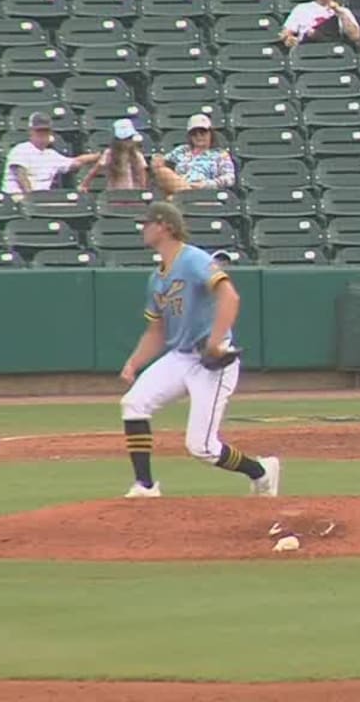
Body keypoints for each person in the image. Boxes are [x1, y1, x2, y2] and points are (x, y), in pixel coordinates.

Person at [118, 202, 280, 499]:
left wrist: (217, 341)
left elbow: (229, 296)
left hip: (211, 362)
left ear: (165, 225)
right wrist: (133, 363)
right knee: (133, 404)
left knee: (202, 448)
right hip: (181, 356)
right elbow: (157, 331)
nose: (143, 228)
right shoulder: (156, 278)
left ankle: (261, 471)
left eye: (147, 223)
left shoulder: (192, 259)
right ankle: (145, 486)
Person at [2, 112, 100, 197]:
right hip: (17, 196)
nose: (42, 134)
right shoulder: (21, 149)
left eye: (45, 131)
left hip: (43, 198)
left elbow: (76, 162)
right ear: (31, 131)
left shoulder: (51, 155)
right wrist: (31, 197)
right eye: (39, 130)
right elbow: (21, 176)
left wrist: (97, 156)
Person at [151, 114, 236, 197]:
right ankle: (187, 194)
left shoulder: (220, 154)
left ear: (211, 133)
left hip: (206, 193)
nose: (198, 136)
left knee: (170, 199)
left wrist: (205, 185)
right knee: (162, 172)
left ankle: (188, 195)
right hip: (179, 188)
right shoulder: (182, 150)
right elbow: (162, 160)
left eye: (202, 132)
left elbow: (230, 178)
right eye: (194, 133)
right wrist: (158, 160)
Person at [80, 118, 148, 192]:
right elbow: (96, 169)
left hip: (133, 193)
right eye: (125, 139)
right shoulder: (109, 154)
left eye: (129, 138)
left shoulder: (137, 155)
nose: (128, 142)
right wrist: (85, 184)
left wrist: (143, 190)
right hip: (114, 193)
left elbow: (142, 174)